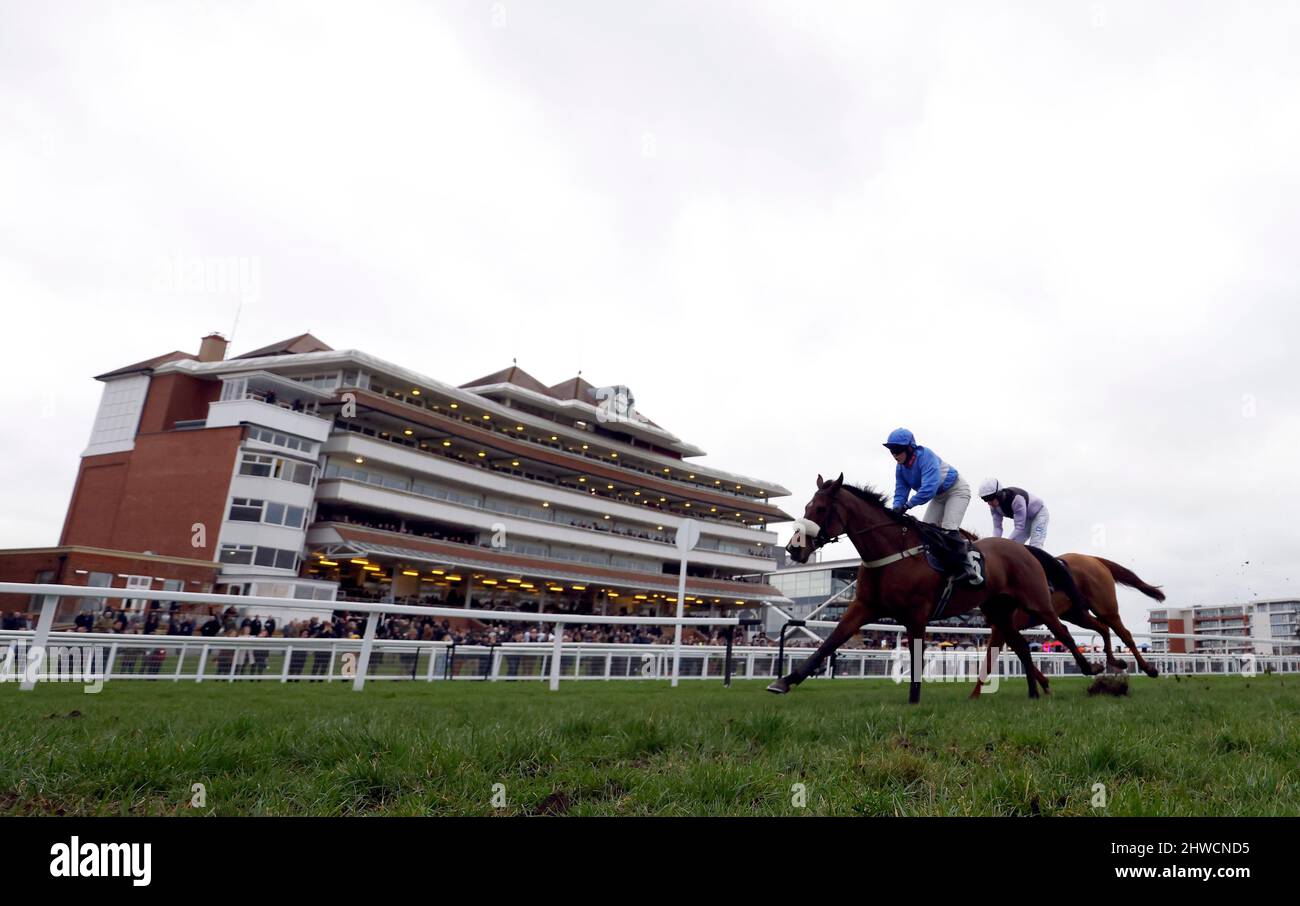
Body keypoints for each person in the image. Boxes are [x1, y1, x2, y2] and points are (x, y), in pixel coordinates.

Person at [882, 427, 979, 581]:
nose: (894, 454)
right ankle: (938, 566)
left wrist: (907, 506)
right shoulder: (900, 468)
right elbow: (901, 490)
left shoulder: (926, 456)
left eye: (898, 450)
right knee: (926, 530)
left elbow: (929, 489)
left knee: (949, 528)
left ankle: (966, 567)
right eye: (891, 450)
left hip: (956, 490)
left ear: (909, 447)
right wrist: (896, 508)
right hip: (939, 496)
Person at [978, 478, 1050, 548]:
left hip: (1039, 514)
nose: (989, 503)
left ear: (999, 494)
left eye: (990, 498)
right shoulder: (993, 507)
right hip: (1025, 519)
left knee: (1035, 544)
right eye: (985, 499)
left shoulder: (1016, 499)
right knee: (1013, 547)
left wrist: (1006, 543)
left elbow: (1019, 527)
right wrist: (994, 544)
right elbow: (997, 528)